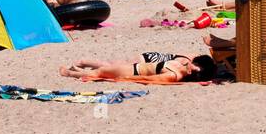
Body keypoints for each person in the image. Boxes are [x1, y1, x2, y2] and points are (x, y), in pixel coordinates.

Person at [60, 52, 218, 84]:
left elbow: (150, 79)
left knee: (100, 71)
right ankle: (76, 69)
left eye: (195, 67)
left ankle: (69, 73)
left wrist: (126, 79)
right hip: (139, 64)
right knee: (104, 68)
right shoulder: (182, 63)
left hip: (133, 70)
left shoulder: (175, 75)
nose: (191, 65)